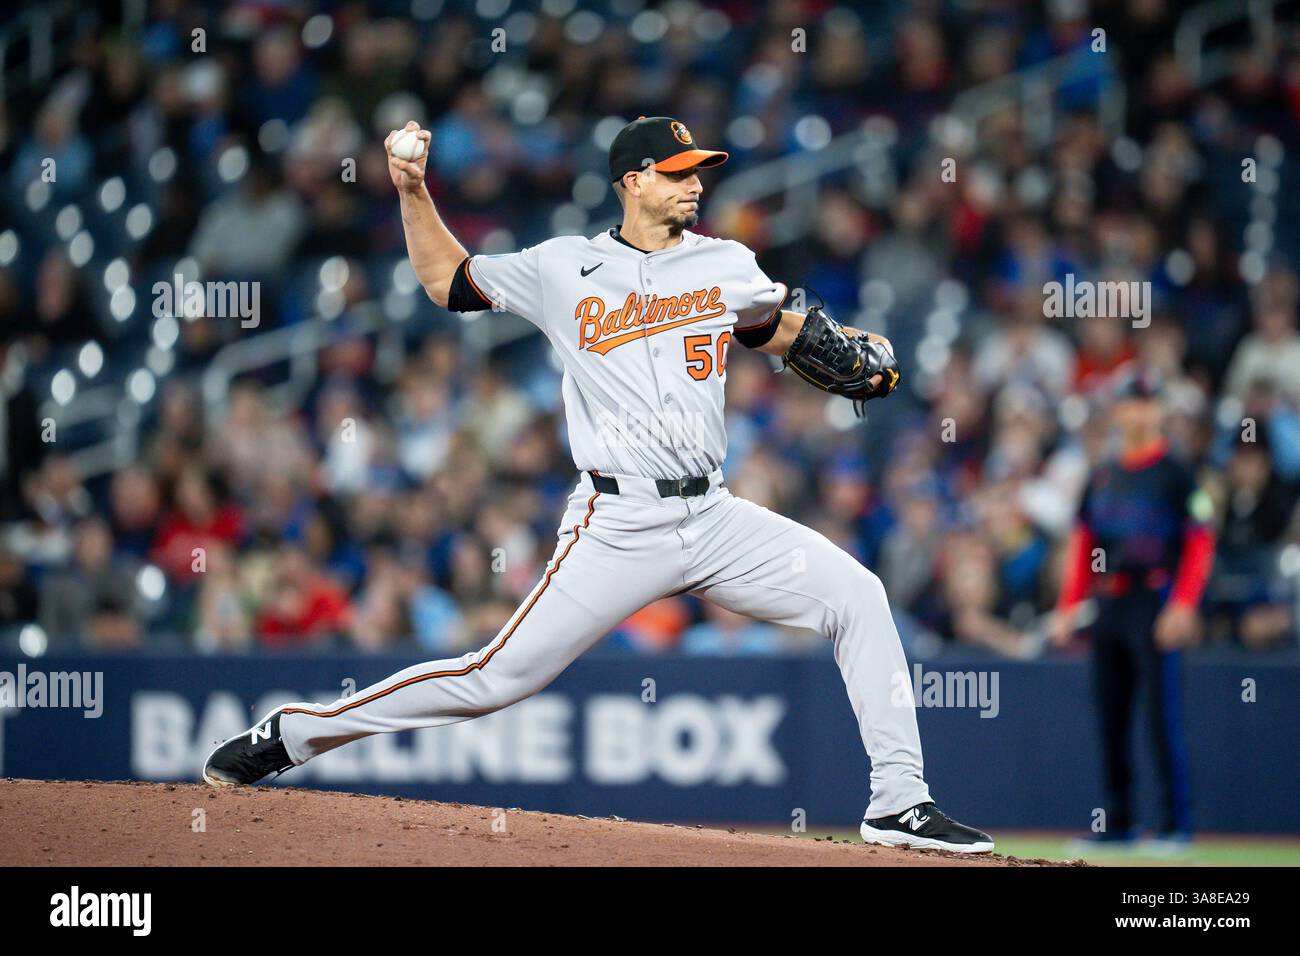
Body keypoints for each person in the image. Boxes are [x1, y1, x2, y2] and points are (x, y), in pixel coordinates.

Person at [203, 116, 994, 853]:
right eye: (677, 172)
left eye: (700, 172)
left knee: (858, 595)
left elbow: (784, 331)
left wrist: (852, 352)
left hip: (714, 514)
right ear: (632, 181)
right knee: (492, 679)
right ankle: (295, 734)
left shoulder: (726, 264)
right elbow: (448, 282)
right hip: (617, 523)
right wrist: (412, 191)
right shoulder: (563, 268)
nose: (695, 184)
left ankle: (898, 800)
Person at [1050, 366, 1215, 852]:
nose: (1140, 411)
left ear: (1159, 410)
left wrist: (1184, 604)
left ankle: (1173, 826)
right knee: (1111, 713)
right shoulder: (1104, 472)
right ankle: (1118, 823)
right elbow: (1084, 542)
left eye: (1148, 402)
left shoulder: (1177, 471)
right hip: (1110, 600)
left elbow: (1199, 540)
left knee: (1161, 716)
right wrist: (1068, 605)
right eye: (1132, 402)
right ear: (1119, 410)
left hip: (1155, 598)